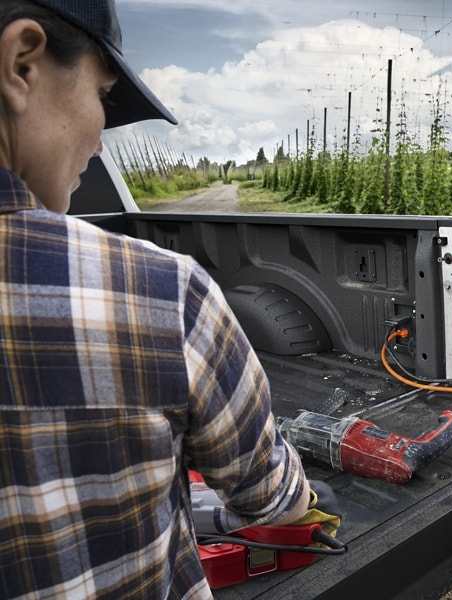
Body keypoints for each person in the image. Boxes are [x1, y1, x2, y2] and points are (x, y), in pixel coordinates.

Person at [0, 2, 310, 598]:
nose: (99, 139)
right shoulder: (163, 295)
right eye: (102, 94)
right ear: (22, 63)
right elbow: (271, 498)